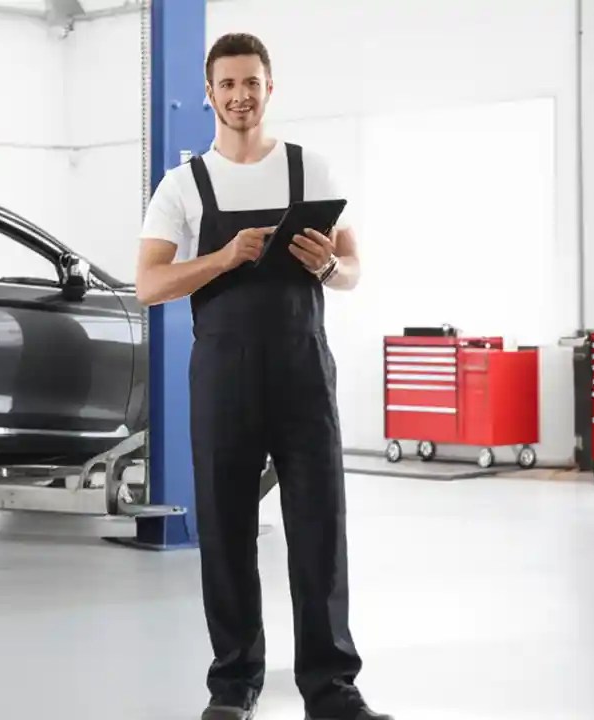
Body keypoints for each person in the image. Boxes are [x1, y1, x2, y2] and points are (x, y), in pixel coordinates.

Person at [135, 33, 392, 720]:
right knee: (225, 531)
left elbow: (353, 269)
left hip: (303, 369)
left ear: (268, 87)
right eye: (227, 85)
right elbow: (149, 284)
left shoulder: (313, 171)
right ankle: (233, 686)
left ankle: (332, 689)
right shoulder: (183, 186)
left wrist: (326, 268)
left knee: (318, 528)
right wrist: (221, 258)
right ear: (210, 94)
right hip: (222, 375)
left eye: (251, 82)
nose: (240, 96)